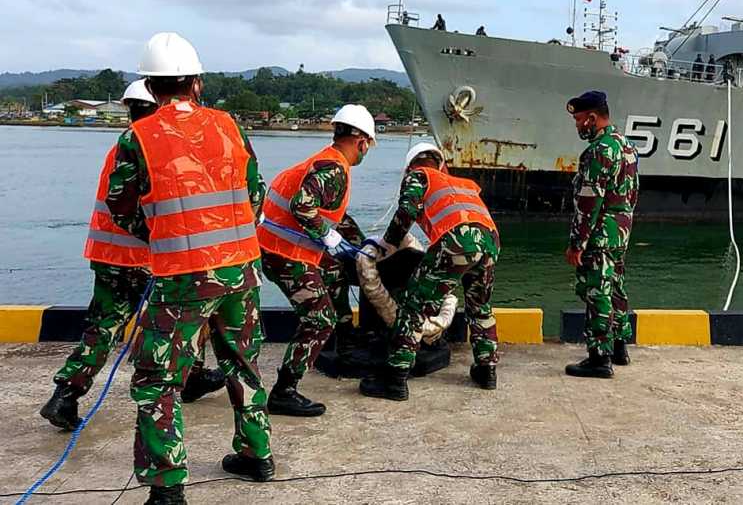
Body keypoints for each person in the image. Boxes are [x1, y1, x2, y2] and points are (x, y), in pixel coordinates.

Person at [107, 33, 273, 504]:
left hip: (183, 274)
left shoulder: (136, 136)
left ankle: (166, 487)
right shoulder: (230, 126)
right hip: (241, 267)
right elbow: (254, 195)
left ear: (151, 87)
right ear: (197, 83)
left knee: (158, 377)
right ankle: (256, 453)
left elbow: (121, 207)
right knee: (242, 361)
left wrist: (164, 233)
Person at [39, 81, 225, 432]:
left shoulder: (121, 145)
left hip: (107, 255)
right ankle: (192, 375)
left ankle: (65, 394)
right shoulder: (152, 147)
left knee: (103, 325)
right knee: (188, 316)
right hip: (145, 259)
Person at [257, 104, 375, 416]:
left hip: (273, 248)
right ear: (362, 141)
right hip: (286, 255)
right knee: (319, 318)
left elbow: (335, 213)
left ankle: (346, 341)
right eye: (368, 146)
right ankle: (284, 391)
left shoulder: (328, 162)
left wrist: (363, 243)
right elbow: (304, 206)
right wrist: (327, 235)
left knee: (334, 270)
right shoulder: (334, 169)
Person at [359, 142, 500, 401]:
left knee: (414, 306)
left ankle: (395, 379)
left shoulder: (419, 175)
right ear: (442, 164)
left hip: (456, 240)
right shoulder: (464, 184)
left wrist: (388, 243)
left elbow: (406, 212)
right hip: (491, 241)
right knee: (480, 306)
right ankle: (486, 370)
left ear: (410, 167)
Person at [563, 90, 639, 379]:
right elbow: (631, 193)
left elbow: (588, 202)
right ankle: (619, 347)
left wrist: (576, 243)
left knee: (597, 292)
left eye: (579, 119)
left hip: (600, 234)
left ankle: (599, 357)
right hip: (620, 231)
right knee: (616, 288)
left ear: (592, 118)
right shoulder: (627, 146)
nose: (578, 125)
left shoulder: (598, 151)